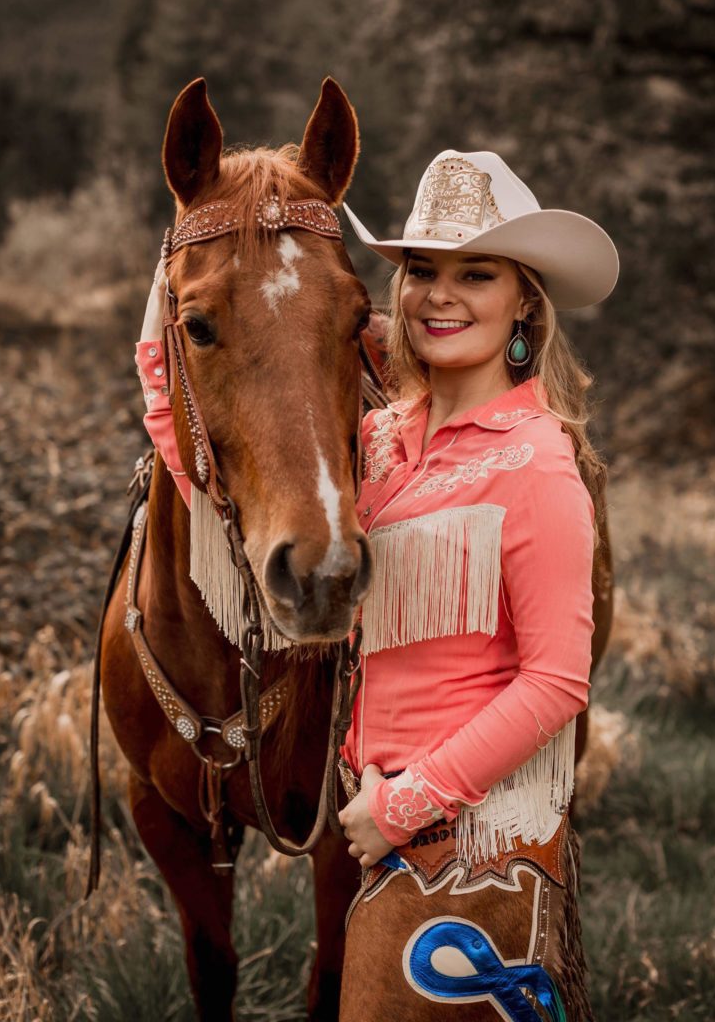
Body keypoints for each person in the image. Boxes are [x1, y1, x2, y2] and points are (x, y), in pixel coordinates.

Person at [135, 148, 618, 1022]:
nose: (440, 296)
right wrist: (174, 319)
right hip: (385, 837)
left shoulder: (538, 466)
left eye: (476, 274)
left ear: (525, 301)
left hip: (469, 843)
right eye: (423, 271)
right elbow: (252, 416)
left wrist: (403, 806)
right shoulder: (385, 441)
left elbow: (558, 681)